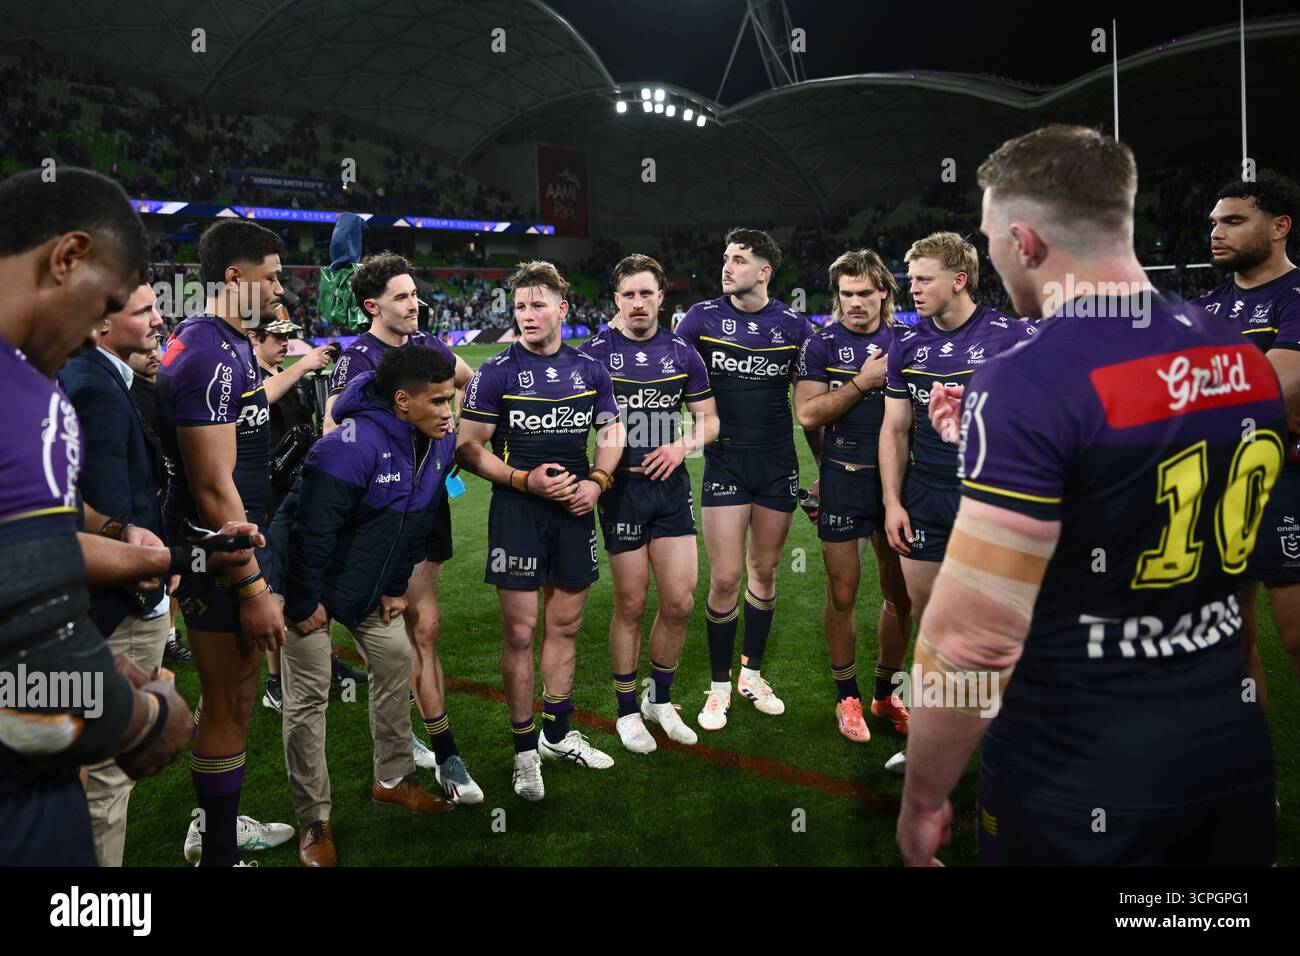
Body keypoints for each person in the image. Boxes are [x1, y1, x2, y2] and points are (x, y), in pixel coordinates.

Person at [898, 124, 1281, 866]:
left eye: (991, 239)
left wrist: (924, 798)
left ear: (1026, 242)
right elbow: (1140, 492)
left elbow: (974, 641)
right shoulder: (1242, 359)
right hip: (1227, 750)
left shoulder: (1030, 379)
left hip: (1080, 771)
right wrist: (981, 440)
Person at [0, 168, 233, 866]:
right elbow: (24, 697)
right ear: (66, 257)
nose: (91, 329)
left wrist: (95, 660)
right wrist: (142, 718)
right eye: (100, 301)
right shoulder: (25, 400)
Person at [281, 347, 459, 866]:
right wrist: (302, 602)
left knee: (395, 659)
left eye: (451, 398)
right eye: (439, 400)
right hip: (307, 585)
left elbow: (413, 523)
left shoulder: (436, 442)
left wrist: (393, 586)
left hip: (366, 587)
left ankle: (392, 778)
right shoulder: (347, 446)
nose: (450, 412)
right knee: (309, 698)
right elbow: (308, 532)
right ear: (403, 401)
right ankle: (314, 820)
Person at [457, 260, 626, 800]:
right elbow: (466, 447)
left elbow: (612, 433)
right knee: (523, 632)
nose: (527, 315)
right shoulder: (496, 371)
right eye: (521, 306)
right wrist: (524, 480)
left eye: (537, 305)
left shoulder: (590, 369)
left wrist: (598, 481)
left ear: (562, 308)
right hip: (518, 513)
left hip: (574, 511)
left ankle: (558, 733)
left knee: (566, 625)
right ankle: (525, 751)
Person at [322, 251, 480, 803]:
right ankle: (445, 750)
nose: (415, 305)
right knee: (413, 624)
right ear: (372, 306)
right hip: (384, 512)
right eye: (402, 297)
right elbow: (331, 431)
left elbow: (468, 381)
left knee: (421, 625)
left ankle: (418, 734)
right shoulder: (357, 358)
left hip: (428, 504)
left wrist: (451, 427)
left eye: (416, 294)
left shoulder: (429, 347)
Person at [156, 219, 290, 867]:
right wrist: (254, 586)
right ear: (235, 278)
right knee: (229, 697)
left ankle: (217, 830)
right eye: (270, 276)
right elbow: (212, 488)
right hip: (220, 560)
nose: (279, 287)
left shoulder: (226, 345)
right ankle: (213, 849)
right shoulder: (209, 352)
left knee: (233, 698)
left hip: (230, 549)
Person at [877, 232, 1033, 772]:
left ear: (958, 280)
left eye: (923, 279)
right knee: (932, 619)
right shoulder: (907, 343)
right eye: (910, 278)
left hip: (990, 500)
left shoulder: (1010, 337)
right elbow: (895, 429)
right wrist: (893, 502)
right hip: (924, 498)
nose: (911, 288)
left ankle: (1014, 737)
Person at [675, 229, 819, 731]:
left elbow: (811, 406)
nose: (727, 266)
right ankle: (718, 688)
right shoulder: (700, 319)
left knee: (765, 573)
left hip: (778, 466)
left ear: (765, 271)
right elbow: (664, 370)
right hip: (726, 464)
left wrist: (823, 472)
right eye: (725, 257)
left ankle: (751, 675)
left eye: (739, 259)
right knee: (726, 577)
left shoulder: (795, 326)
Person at [579, 254, 718, 753]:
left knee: (680, 602)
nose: (638, 303)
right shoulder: (593, 353)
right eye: (628, 295)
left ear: (662, 297)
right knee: (632, 603)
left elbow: (709, 419)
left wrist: (682, 445)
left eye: (647, 294)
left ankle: (660, 699)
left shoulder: (682, 352)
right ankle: (625, 711)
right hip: (622, 493)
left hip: (670, 490)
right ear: (616, 299)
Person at [793, 250, 912, 742]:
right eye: (847, 294)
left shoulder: (908, 341)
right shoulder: (820, 344)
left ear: (884, 291)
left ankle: (885, 696)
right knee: (842, 594)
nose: (856, 302)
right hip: (843, 482)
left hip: (901, 488)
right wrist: (863, 383)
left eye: (865, 292)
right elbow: (808, 414)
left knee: (900, 596)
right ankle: (848, 698)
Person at [1199, 171, 1300, 694]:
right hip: (1219, 489)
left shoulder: (1296, 297)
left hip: (1285, 483)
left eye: (1234, 221)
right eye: (1215, 222)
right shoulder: (1205, 311)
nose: (1216, 232)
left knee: (1296, 636)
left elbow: (1276, 391)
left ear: (1280, 226)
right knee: (1228, 642)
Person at [247, 310, 341, 714]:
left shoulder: (284, 373)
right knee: (277, 588)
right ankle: (276, 682)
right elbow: (261, 397)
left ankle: (325, 662)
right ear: (254, 337)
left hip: (299, 489)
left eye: (289, 338)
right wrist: (304, 364)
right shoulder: (248, 377)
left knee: (317, 575)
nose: (284, 343)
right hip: (268, 497)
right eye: (276, 337)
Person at [128, 341, 193, 665]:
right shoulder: (129, 393)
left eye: (156, 349)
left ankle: (169, 635)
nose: (155, 354)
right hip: (148, 498)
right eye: (145, 350)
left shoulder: (162, 390)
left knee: (175, 568)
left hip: (170, 490)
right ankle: (160, 634)